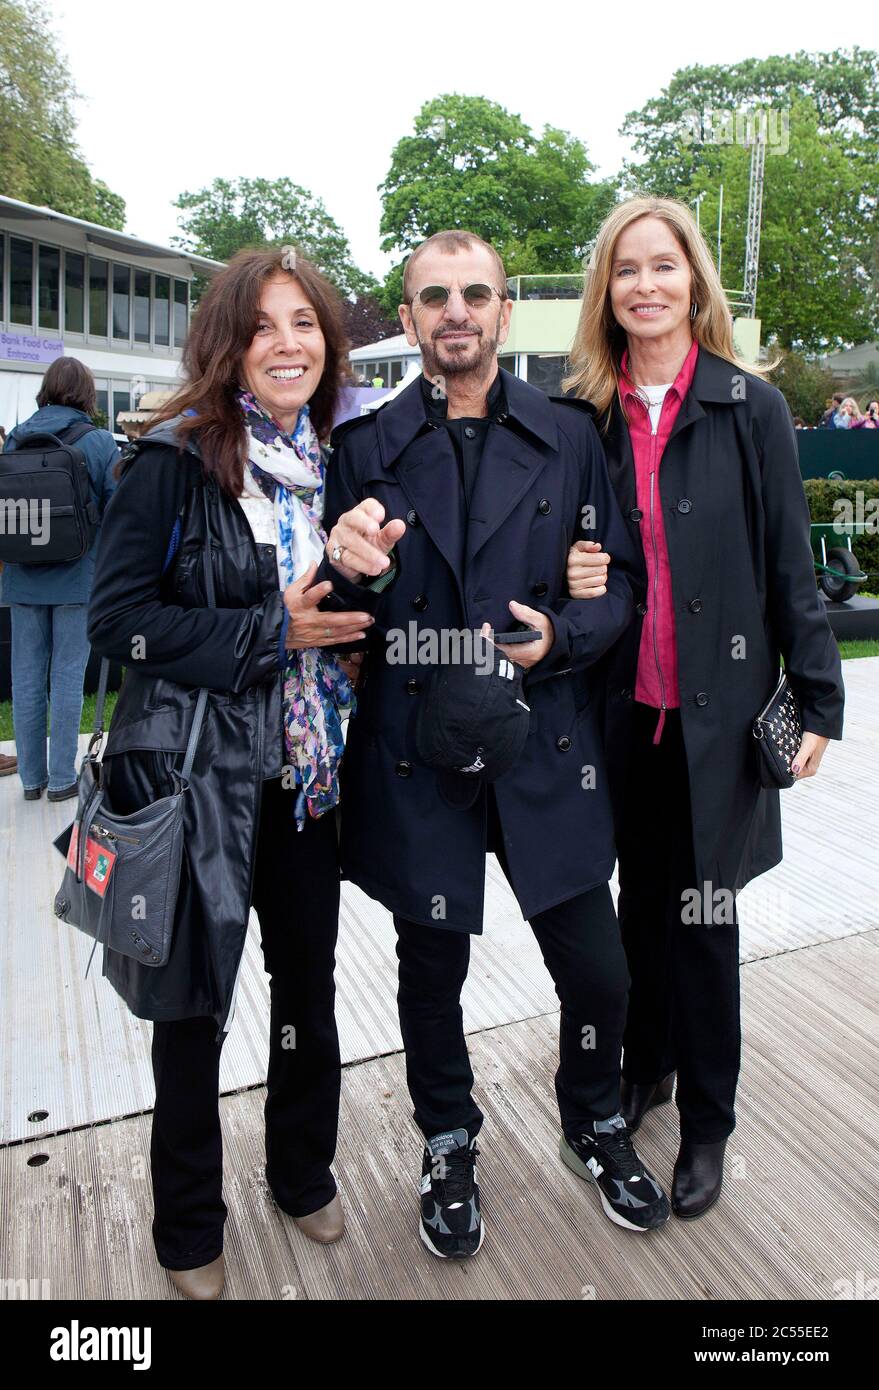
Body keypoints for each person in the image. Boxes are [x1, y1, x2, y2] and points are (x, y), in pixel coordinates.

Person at [316, 229, 671, 1261]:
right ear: (411, 314)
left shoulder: (568, 436)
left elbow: (624, 597)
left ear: (506, 312)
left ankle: (594, 1117)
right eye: (435, 296)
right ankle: (448, 1135)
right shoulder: (364, 445)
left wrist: (561, 633)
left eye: (476, 293)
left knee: (597, 970)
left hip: (543, 740)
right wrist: (360, 577)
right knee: (431, 972)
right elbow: (342, 602)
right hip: (418, 752)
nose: (457, 312)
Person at [87, 249, 375, 1299]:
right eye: (264, 326)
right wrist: (273, 630)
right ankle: (188, 1225)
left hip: (308, 782)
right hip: (198, 780)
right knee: (191, 1009)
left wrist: (352, 638)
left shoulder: (343, 460)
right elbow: (118, 625)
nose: (288, 343)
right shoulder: (173, 460)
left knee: (307, 988)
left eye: (306, 323)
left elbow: (344, 606)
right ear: (228, 343)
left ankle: (301, 1173)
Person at [564, 196, 845, 1218]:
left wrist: (819, 697)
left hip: (716, 724)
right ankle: (646, 1070)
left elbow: (789, 567)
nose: (645, 285)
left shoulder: (748, 405)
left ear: (694, 280)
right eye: (626, 269)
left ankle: (709, 1120)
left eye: (663, 265)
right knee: (640, 910)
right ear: (608, 289)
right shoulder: (582, 415)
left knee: (706, 922)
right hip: (619, 718)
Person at [2, 358, 118, 801]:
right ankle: (63, 780)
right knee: (68, 678)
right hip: (77, 578)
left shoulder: (16, 438)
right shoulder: (98, 441)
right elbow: (117, 509)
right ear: (86, 393)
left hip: (21, 576)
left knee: (25, 678)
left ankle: (31, 781)